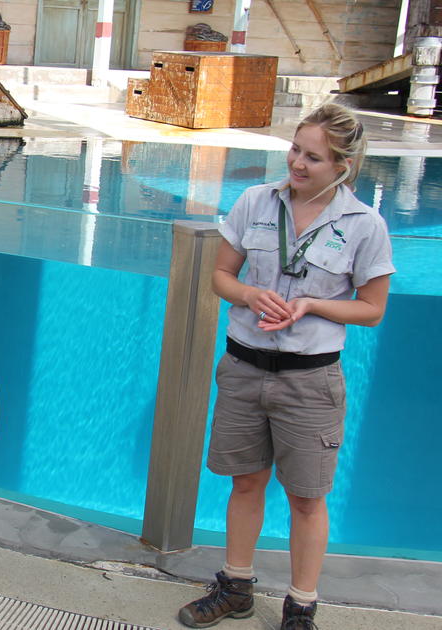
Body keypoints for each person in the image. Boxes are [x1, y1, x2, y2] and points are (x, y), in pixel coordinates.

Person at [178, 104, 394, 630]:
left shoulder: (365, 224)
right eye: (295, 149)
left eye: (312, 157)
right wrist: (250, 294)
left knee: (306, 497)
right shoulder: (255, 201)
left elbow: (372, 307)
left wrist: (313, 305)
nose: (297, 163)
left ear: (342, 166)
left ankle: (301, 606)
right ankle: (236, 586)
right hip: (244, 368)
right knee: (246, 483)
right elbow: (221, 277)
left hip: (310, 380)